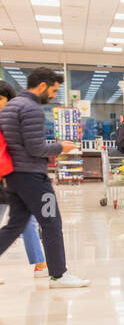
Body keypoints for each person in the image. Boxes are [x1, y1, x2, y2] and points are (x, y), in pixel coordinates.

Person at [0, 67, 90, 289]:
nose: (53, 95)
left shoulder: (10, 107)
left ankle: (58, 273)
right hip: (33, 178)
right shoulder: (31, 109)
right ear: (42, 86)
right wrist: (62, 147)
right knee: (51, 221)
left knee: (15, 225)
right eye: (53, 90)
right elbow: (36, 147)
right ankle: (59, 275)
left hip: (14, 177)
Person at [0, 81, 49, 281]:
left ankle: (40, 263)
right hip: (7, 175)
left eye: (1, 99)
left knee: (27, 220)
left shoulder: (12, 119)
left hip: (14, 175)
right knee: (21, 221)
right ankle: (40, 262)